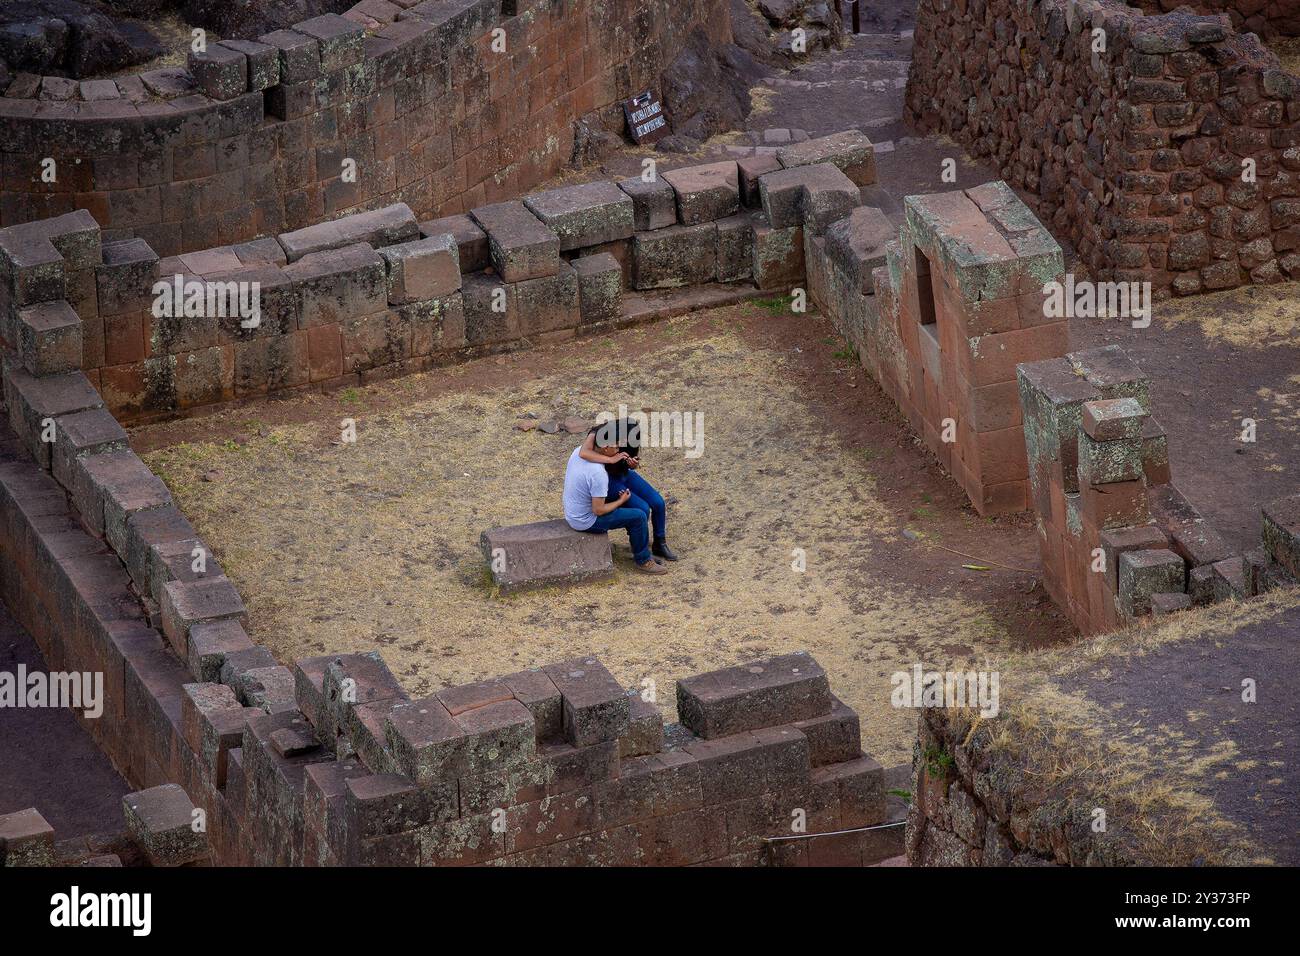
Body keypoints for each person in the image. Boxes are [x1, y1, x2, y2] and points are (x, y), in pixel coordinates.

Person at [562, 421, 669, 575]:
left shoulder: (578, 450)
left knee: (644, 509)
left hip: (574, 511)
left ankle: (643, 545)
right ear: (605, 448)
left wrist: (625, 462)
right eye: (616, 447)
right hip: (585, 520)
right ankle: (644, 561)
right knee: (639, 516)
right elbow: (598, 510)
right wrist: (620, 501)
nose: (620, 450)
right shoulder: (598, 473)